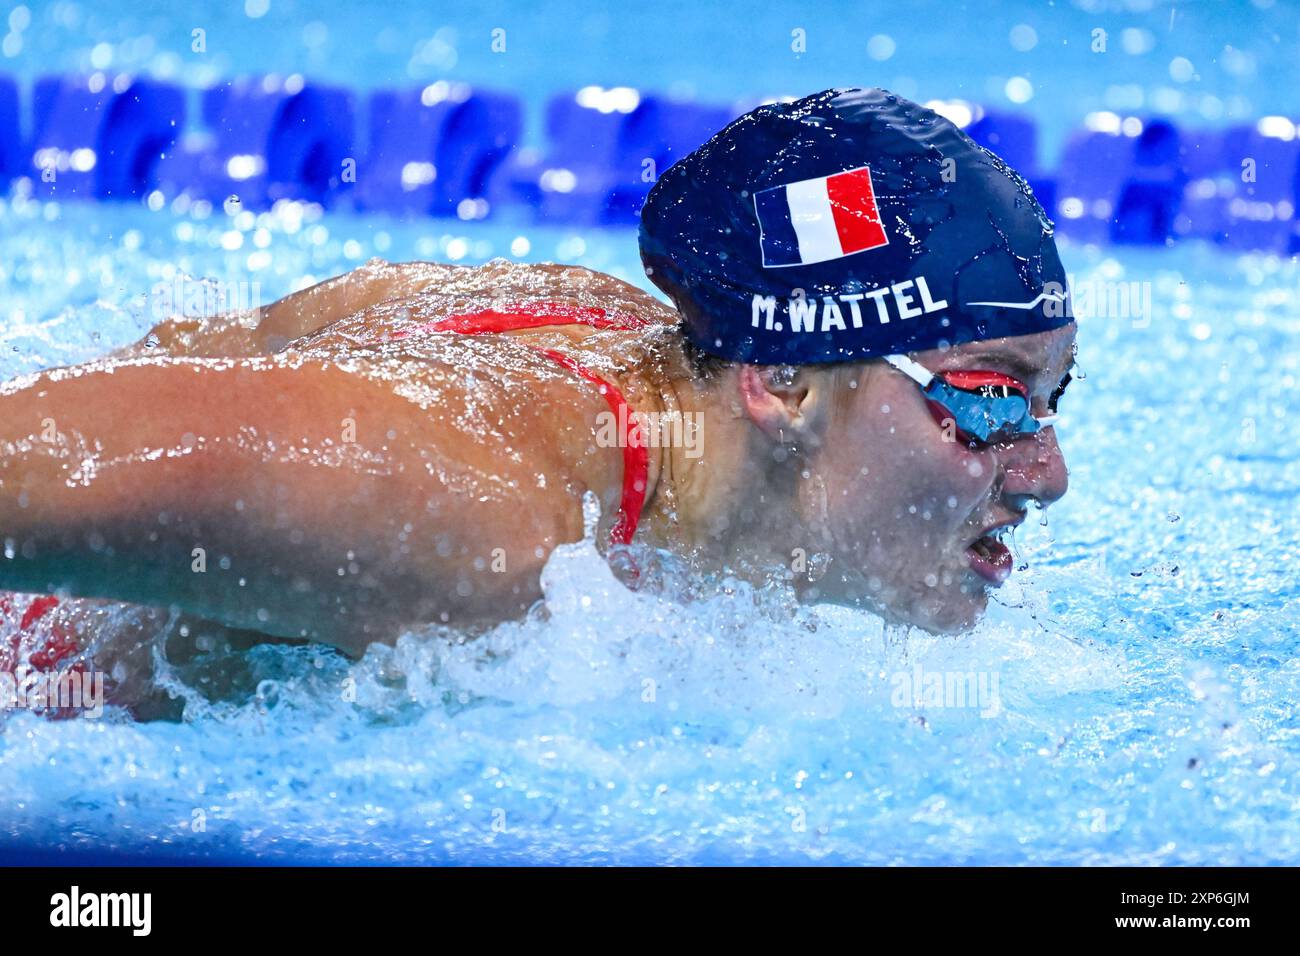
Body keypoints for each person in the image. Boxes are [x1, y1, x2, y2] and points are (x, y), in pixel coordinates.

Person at [0, 88, 1075, 712]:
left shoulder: (608, 339)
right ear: (782, 379)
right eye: (991, 398)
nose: (1045, 471)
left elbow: (202, 346)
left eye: (1051, 398)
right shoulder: (461, 507)